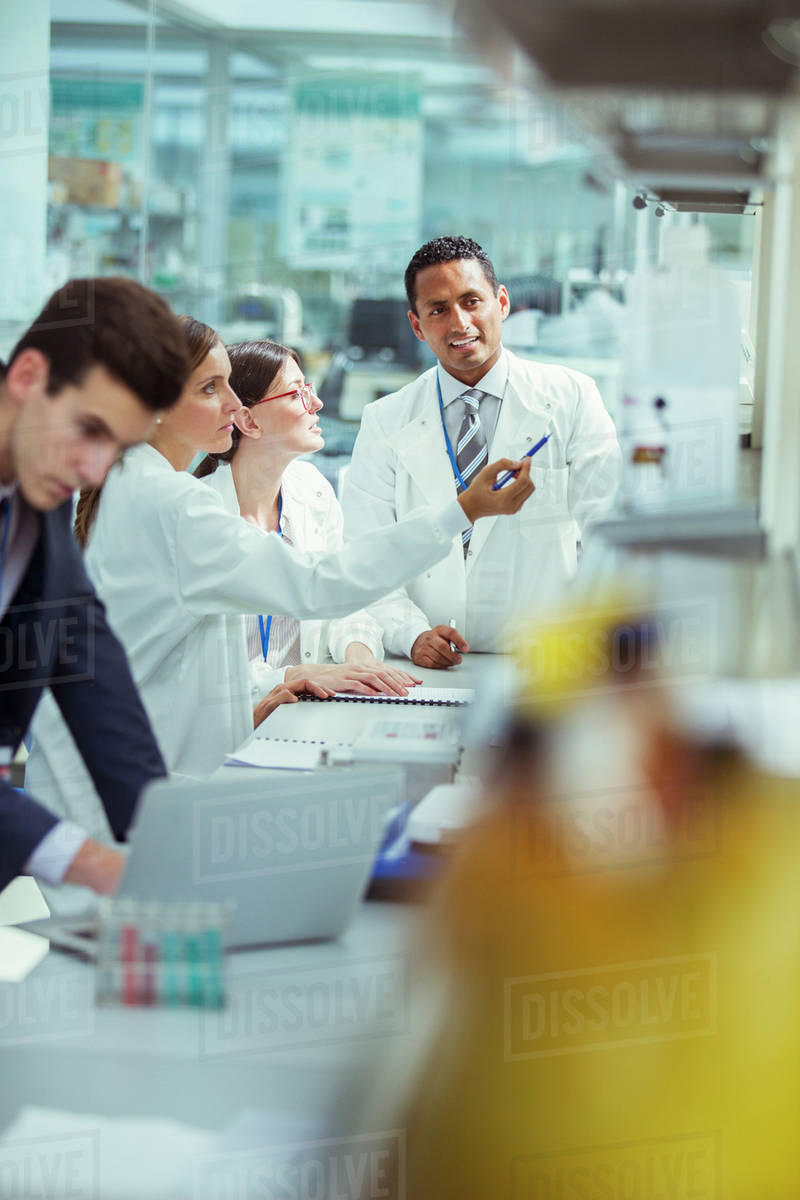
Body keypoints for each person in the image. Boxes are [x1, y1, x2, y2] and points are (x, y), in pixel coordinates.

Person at [25, 316, 534, 857]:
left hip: (125, 780)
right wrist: (464, 508)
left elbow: (177, 659)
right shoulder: (173, 505)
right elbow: (317, 583)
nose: (232, 405)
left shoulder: (144, 486)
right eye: (209, 388)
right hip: (110, 801)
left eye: (229, 384)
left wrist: (261, 698)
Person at [340, 235, 622, 669]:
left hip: (544, 662)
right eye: (438, 309)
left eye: (472, 301)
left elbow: (610, 534)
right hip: (427, 667)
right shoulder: (385, 421)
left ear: (502, 303)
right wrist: (409, 633)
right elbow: (367, 554)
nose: (459, 323)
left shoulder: (572, 398)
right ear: (417, 325)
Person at [0, 276, 191, 895]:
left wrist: (163, 840)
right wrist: (97, 866)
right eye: (90, 429)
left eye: (118, 445)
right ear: (28, 375)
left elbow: (84, 648)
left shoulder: (38, 465)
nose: (93, 469)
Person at [195, 339, 419, 699]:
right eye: (296, 393)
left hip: (304, 707)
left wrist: (358, 659)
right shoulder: (198, 518)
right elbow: (195, 667)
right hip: (229, 719)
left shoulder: (311, 490)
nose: (316, 404)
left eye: (309, 388)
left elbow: (344, 600)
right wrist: (293, 674)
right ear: (249, 420)